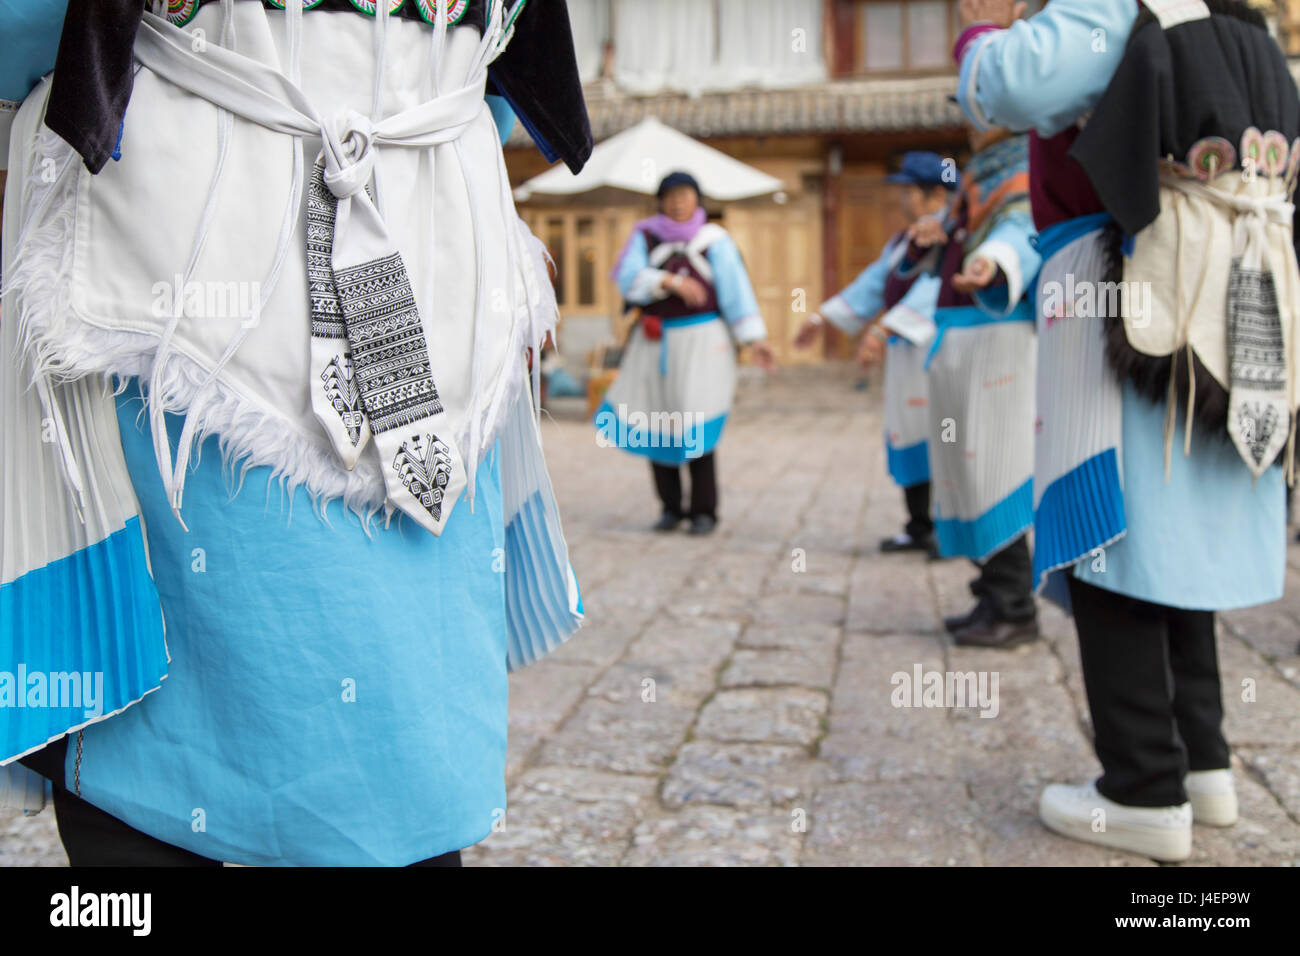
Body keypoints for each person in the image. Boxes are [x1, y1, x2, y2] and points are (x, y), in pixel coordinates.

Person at [1, 0, 589, 866]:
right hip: (431, 223)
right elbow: (507, 85)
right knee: (399, 691)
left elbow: (24, 29)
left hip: (193, 230)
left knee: (174, 709)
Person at [956, 0, 1298, 861]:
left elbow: (1012, 85)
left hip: (1128, 276)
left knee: (1109, 526)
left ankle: (1142, 785)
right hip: (1239, 281)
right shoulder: (1248, 24)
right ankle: (1202, 766)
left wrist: (980, 32)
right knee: (1177, 522)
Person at [901, 125, 1041, 649]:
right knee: (964, 470)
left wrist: (993, 260)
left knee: (993, 468)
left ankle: (1015, 607)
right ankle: (990, 593)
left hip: (998, 341)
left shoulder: (1021, 174)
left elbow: (1023, 231)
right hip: (960, 344)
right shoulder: (972, 185)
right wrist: (932, 239)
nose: (977, 121)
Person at [794, 151, 957, 556]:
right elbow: (874, 283)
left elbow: (937, 287)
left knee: (941, 436)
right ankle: (919, 526)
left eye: (907, 191)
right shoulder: (903, 242)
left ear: (935, 194)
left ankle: (948, 528)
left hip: (938, 347)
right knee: (909, 433)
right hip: (905, 352)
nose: (901, 200)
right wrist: (822, 317)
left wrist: (884, 328)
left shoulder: (953, 235)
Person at [595, 171, 776, 535]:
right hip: (654, 341)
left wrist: (755, 338)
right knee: (656, 418)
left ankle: (704, 511)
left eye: (685, 194)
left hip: (703, 342)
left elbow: (734, 291)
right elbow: (628, 278)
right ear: (660, 201)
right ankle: (670, 507)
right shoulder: (645, 236)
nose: (678, 202)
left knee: (695, 420)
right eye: (671, 195)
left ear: (698, 199)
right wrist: (669, 281)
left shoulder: (715, 240)